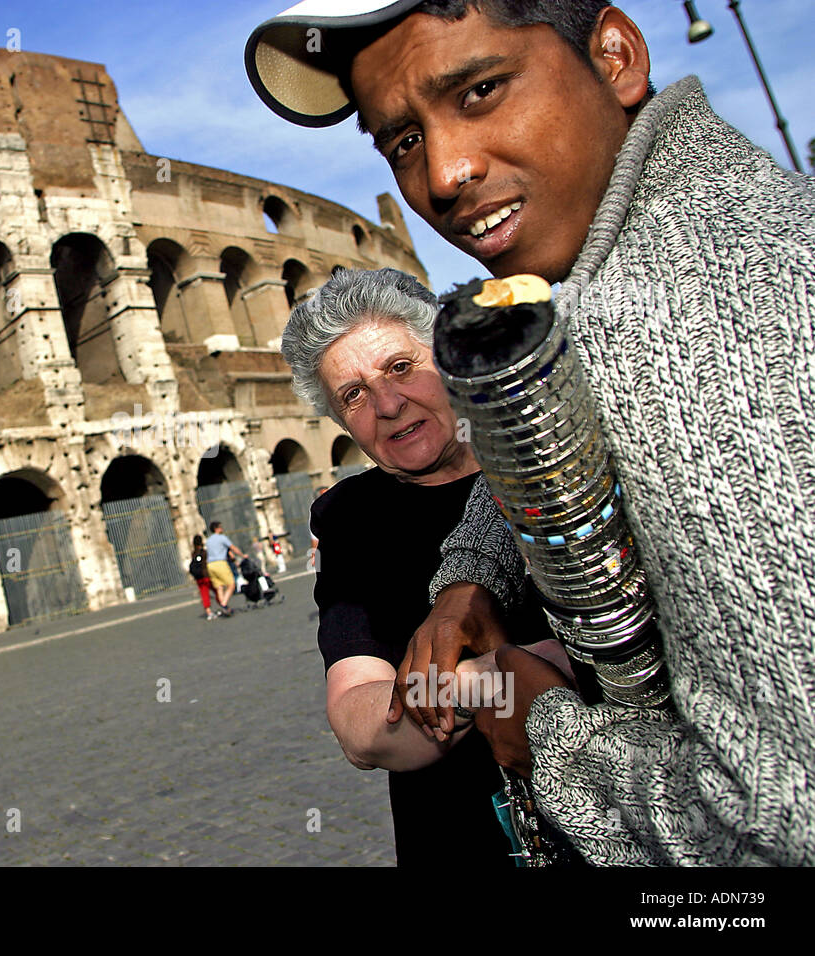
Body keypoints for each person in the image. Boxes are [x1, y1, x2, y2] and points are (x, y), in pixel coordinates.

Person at [247, 0, 815, 865]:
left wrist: (538, 724)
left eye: (479, 89)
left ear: (616, 54)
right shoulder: (603, 301)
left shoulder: (693, 320)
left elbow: (774, 825)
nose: (444, 173)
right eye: (401, 140)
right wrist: (470, 579)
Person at [283, 266, 565, 865]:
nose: (387, 404)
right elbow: (359, 723)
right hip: (465, 838)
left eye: (400, 367)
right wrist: (486, 680)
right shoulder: (351, 519)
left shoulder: (557, 446)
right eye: (353, 395)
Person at [204, 522, 246, 616]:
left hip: (210, 565)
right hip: (220, 563)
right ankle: (224, 604)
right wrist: (242, 555)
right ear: (217, 528)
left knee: (219, 587)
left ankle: (225, 607)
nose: (222, 528)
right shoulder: (222, 538)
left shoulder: (208, 540)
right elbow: (233, 548)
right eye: (220, 527)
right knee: (231, 584)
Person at [187, 535, 219, 621]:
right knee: (217, 590)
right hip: (206, 575)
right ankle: (222, 604)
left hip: (198, 577)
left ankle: (208, 611)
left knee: (204, 593)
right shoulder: (203, 552)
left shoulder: (193, 553)